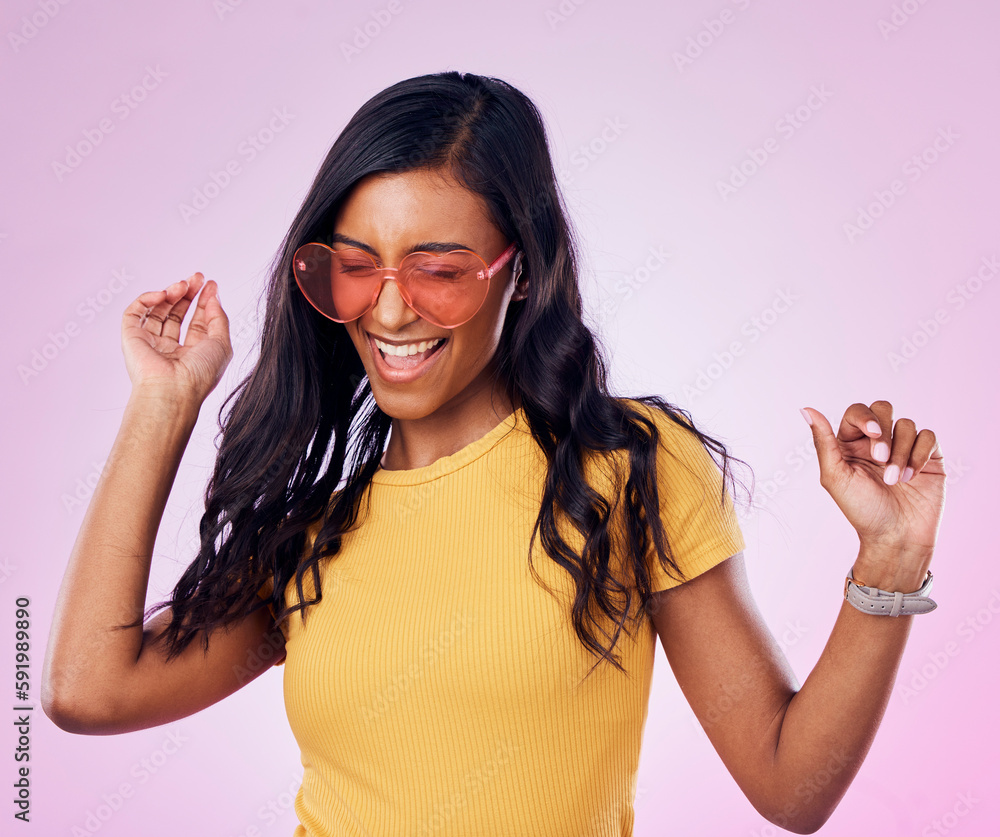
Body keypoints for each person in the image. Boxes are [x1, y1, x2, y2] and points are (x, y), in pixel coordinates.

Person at [41, 71, 946, 836]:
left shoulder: (628, 467)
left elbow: (792, 785)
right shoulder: (314, 530)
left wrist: (891, 562)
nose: (390, 312)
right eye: (357, 266)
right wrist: (165, 404)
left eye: (437, 270)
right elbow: (85, 690)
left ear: (522, 269)